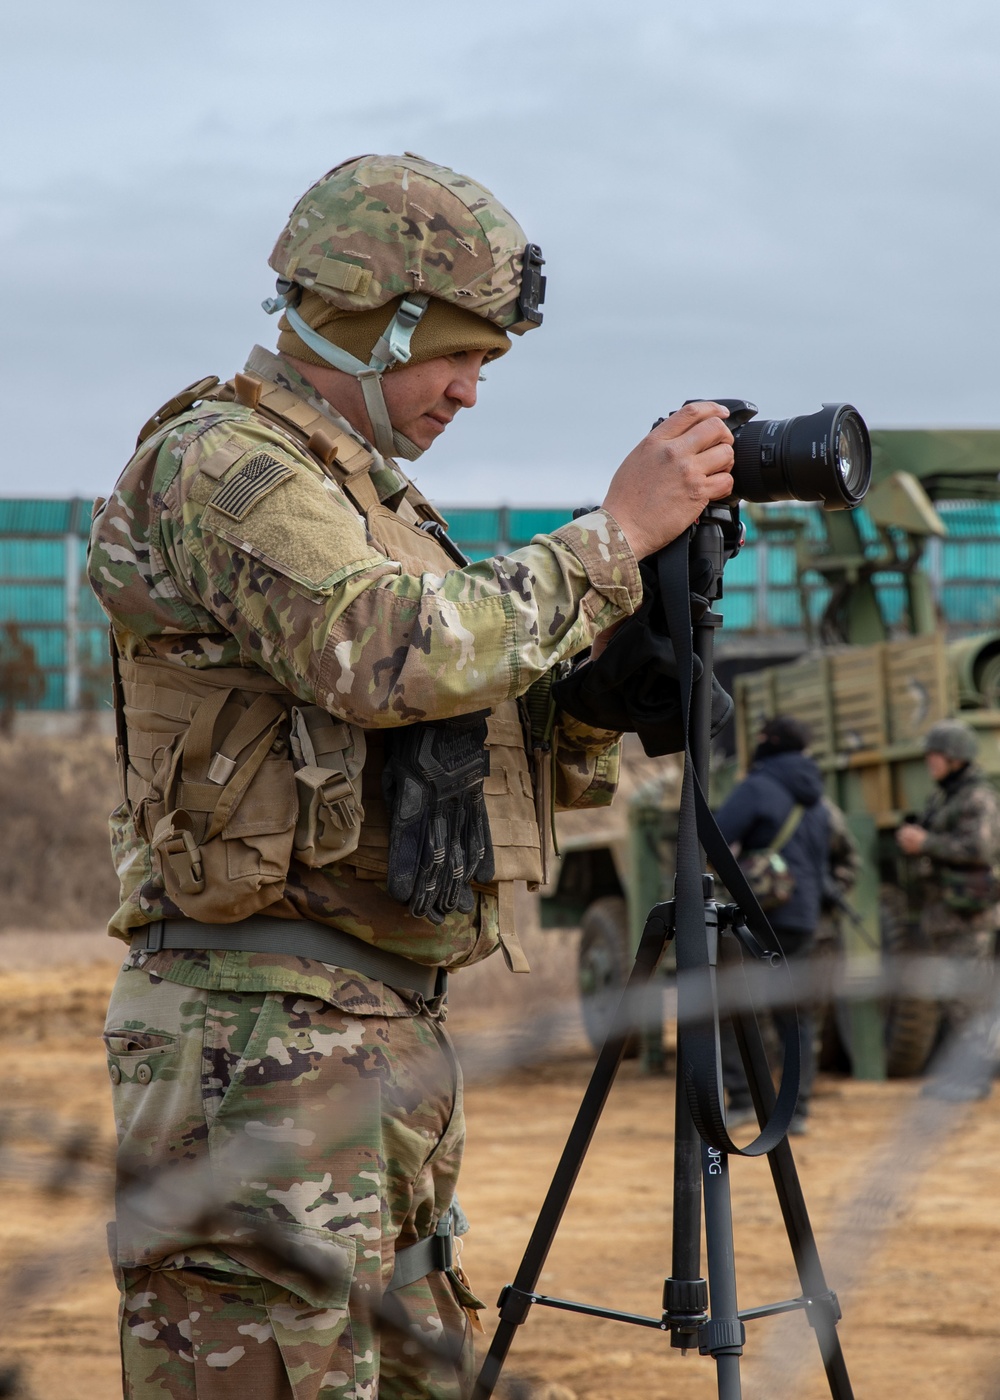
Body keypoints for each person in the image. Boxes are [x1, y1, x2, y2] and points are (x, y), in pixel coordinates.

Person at [88, 153, 736, 1399]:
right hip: (259, 1027)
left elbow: (449, 721)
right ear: (364, 314)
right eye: (455, 353)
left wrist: (594, 690)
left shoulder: (366, 499)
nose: (469, 391)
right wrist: (611, 538)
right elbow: (388, 653)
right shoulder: (228, 466)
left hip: (364, 1025)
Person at [714, 715, 830, 1135]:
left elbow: (716, 836)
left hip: (762, 915)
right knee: (794, 1015)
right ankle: (796, 1112)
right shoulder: (815, 797)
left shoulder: (758, 786)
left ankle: (746, 1099)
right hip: (803, 917)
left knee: (733, 1004)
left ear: (769, 743)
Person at [895, 719, 1000, 1100]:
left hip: (969, 915)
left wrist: (925, 843)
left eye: (936, 755)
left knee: (969, 997)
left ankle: (975, 1078)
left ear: (956, 758)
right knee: (954, 996)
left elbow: (980, 850)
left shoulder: (977, 797)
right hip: (945, 913)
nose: (930, 762)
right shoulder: (945, 796)